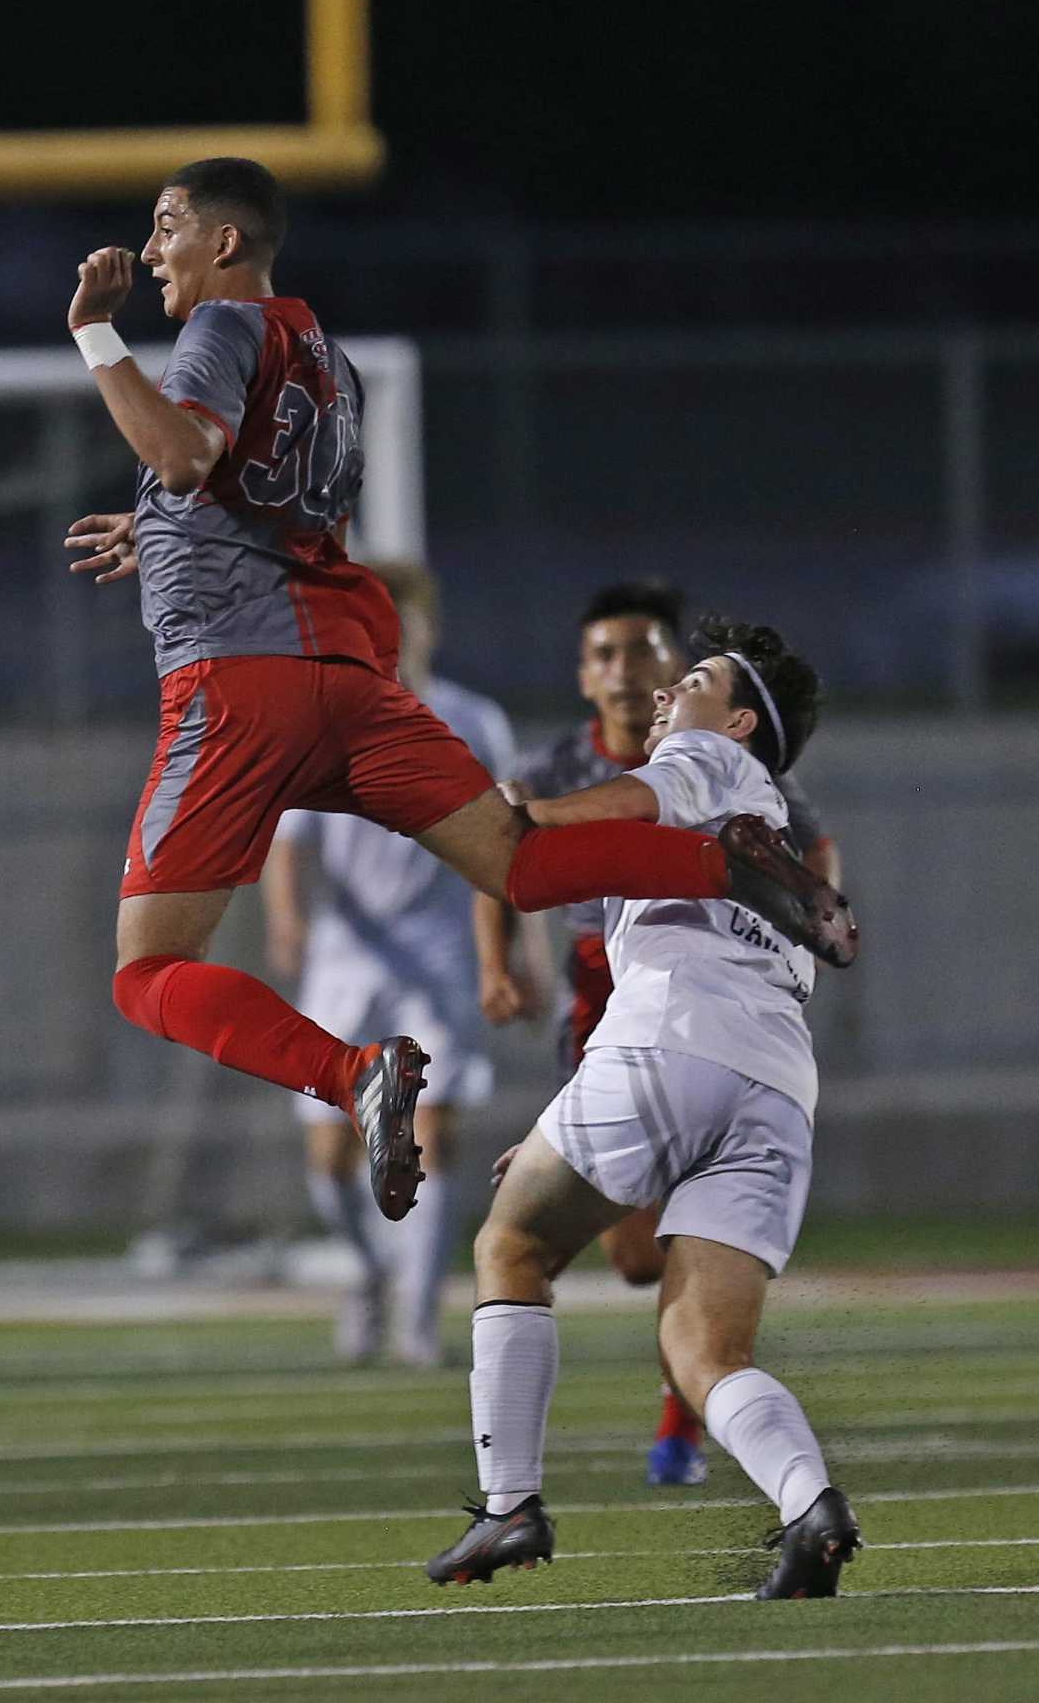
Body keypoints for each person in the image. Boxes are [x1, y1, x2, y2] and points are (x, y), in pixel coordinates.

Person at [62, 157, 854, 1225]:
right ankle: (725, 860)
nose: (151, 250)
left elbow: (184, 452)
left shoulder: (218, 327)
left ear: (227, 244)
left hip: (240, 684)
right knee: (517, 860)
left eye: (165, 227)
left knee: (148, 970)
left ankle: (350, 1077)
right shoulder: (326, 358)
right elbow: (250, 498)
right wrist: (156, 524)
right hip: (348, 675)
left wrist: (96, 334)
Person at [427, 616, 862, 1600]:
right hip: (775, 1081)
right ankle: (809, 1506)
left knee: (511, 1244)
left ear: (741, 718)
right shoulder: (773, 826)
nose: (667, 692)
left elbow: (638, 792)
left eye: (695, 679)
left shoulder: (707, 759)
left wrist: (528, 815)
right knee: (704, 1349)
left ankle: (509, 1504)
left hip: (668, 1044)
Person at [261, 560, 538, 1365]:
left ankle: (417, 1319)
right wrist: (289, 923)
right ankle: (370, 1272)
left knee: (431, 1138)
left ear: (425, 627)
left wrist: (510, 954)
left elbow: (503, 843)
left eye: (400, 618)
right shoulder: (320, 716)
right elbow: (290, 841)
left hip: (439, 953)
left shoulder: (471, 719)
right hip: (348, 959)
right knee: (331, 1150)